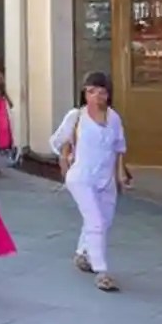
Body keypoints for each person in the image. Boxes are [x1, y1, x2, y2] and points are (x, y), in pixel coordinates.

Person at [50, 71, 129, 292]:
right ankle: (102, 270)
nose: (97, 97)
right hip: (81, 177)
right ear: (84, 93)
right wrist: (65, 168)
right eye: (91, 91)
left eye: (102, 92)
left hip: (106, 178)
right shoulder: (76, 116)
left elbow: (119, 149)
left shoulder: (114, 118)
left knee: (104, 220)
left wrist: (120, 175)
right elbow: (60, 143)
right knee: (94, 220)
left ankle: (82, 253)